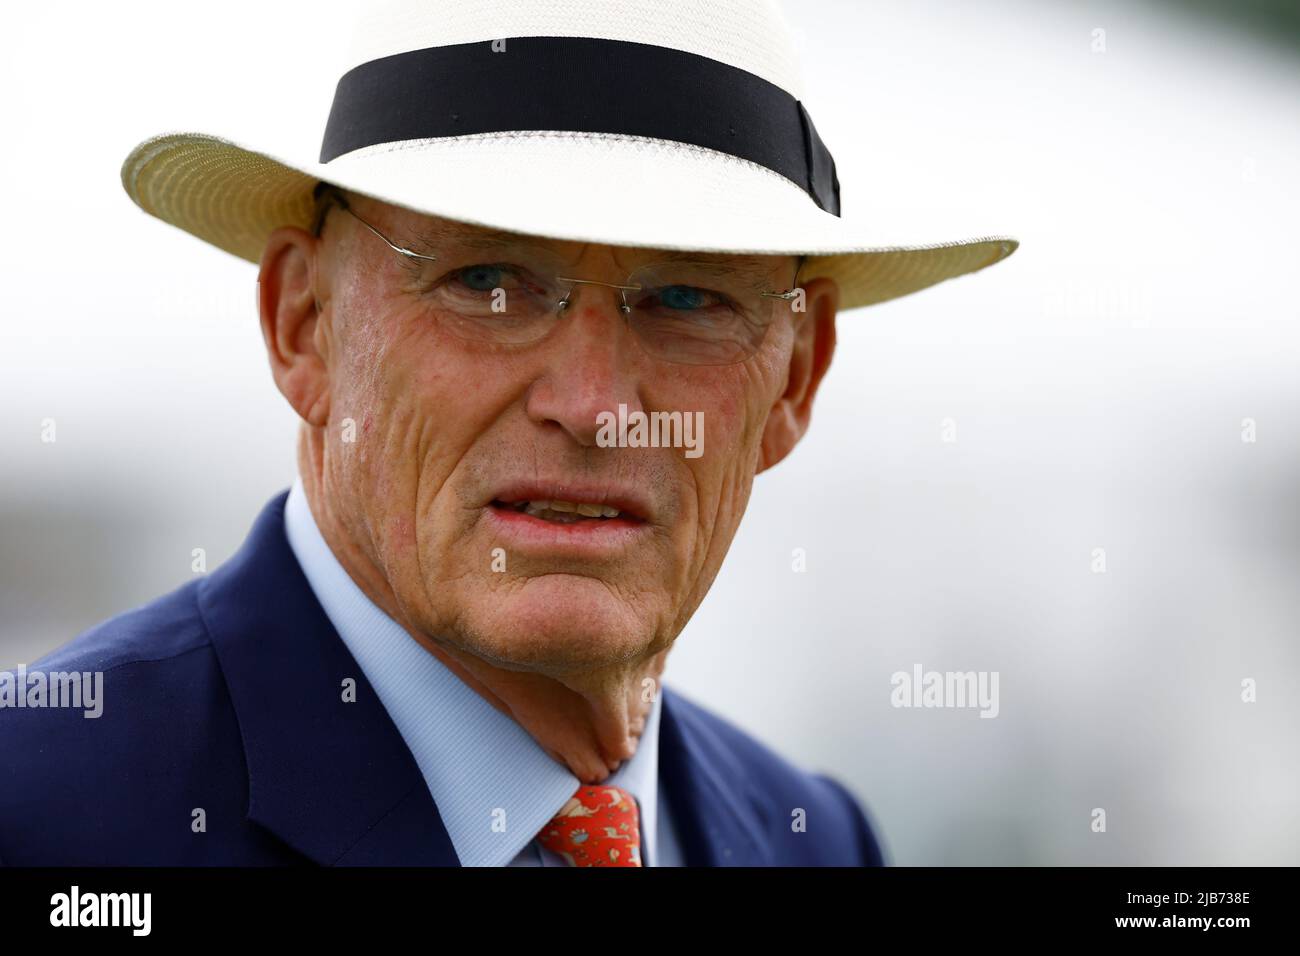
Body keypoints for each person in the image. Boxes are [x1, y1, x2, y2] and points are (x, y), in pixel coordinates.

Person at [0, 0, 1016, 866]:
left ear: (795, 374)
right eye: (486, 282)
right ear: (302, 324)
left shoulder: (814, 842)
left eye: (684, 297)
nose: (591, 402)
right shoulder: (40, 813)